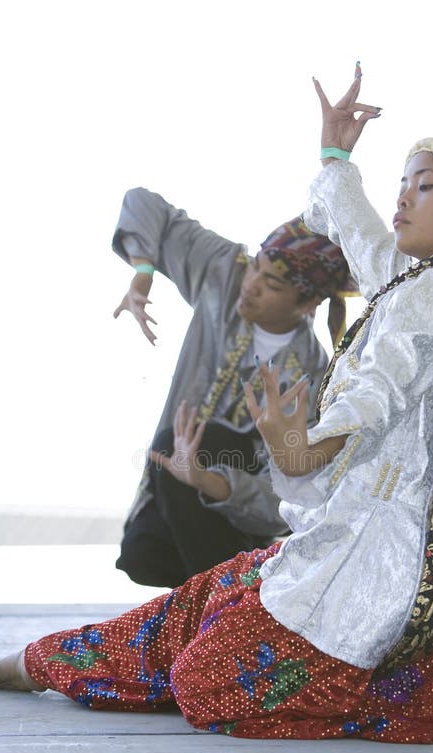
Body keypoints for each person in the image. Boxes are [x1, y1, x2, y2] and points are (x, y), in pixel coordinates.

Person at [0, 66, 433, 744]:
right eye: (403, 183)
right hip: (376, 556)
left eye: (426, 185)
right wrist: (335, 158)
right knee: (207, 602)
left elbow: (377, 389)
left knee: (205, 679)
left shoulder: (431, 295)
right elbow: (364, 242)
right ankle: (41, 662)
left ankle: (391, 692)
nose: (403, 197)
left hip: (375, 567)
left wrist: (299, 448)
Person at [111, 191, 357, 588]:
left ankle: (224, 603)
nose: (251, 285)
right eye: (256, 266)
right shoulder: (226, 271)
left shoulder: (311, 378)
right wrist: (143, 270)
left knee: (194, 443)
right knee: (143, 556)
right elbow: (143, 203)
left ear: (307, 303)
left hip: (241, 516)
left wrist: (209, 481)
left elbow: (290, 497)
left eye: (271, 283)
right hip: (175, 481)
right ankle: (219, 598)